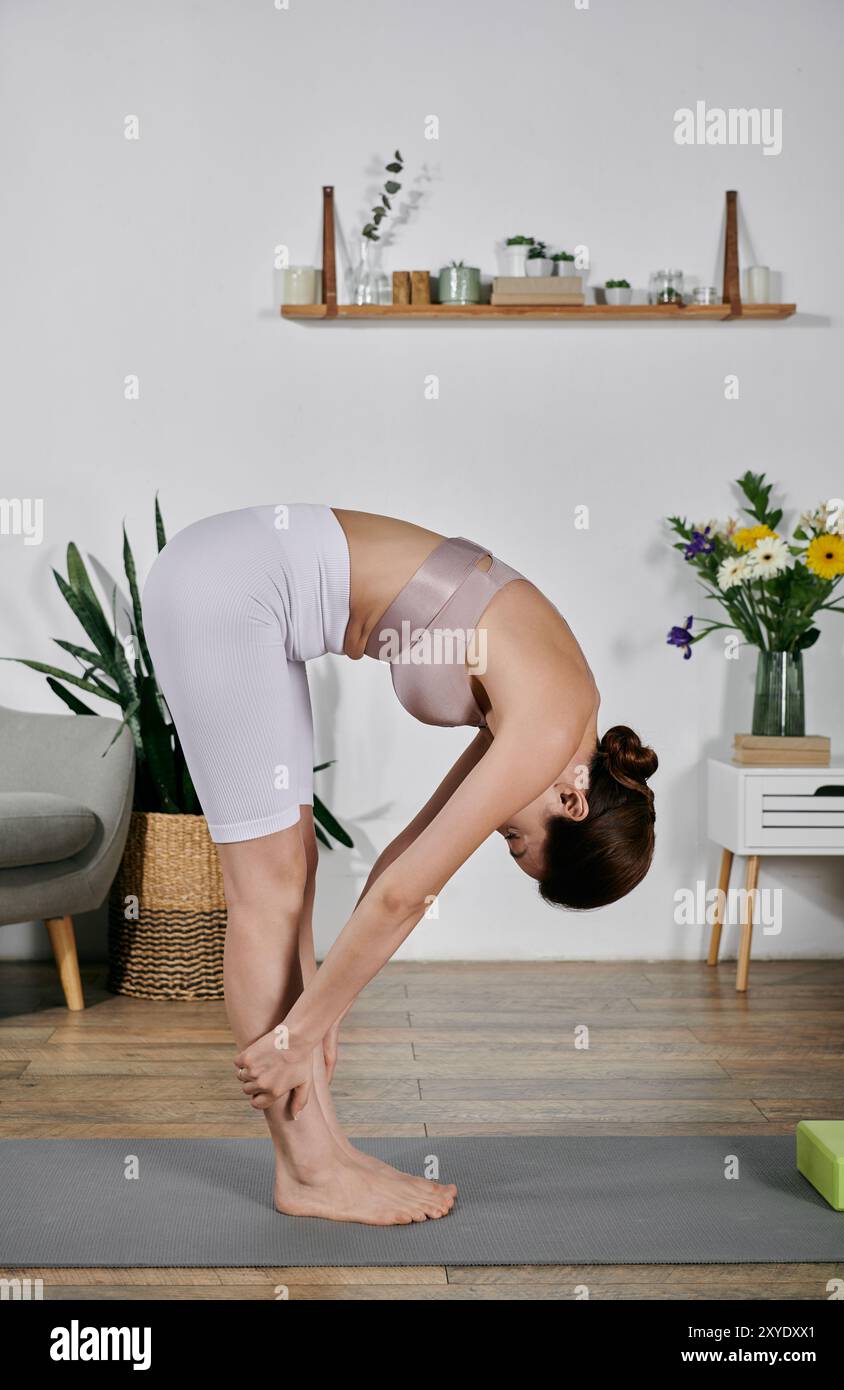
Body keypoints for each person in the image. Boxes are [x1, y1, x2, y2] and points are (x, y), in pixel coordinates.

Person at [141, 503, 657, 1224]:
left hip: (244, 591)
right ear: (573, 805)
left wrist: (323, 1006)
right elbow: (404, 900)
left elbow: (404, 859)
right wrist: (303, 1032)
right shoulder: (547, 730)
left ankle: (325, 1149)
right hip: (225, 590)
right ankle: (309, 1173)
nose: (504, 836)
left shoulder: (566, 717)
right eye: (518, 844)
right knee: (267, 890)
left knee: (292, 876)